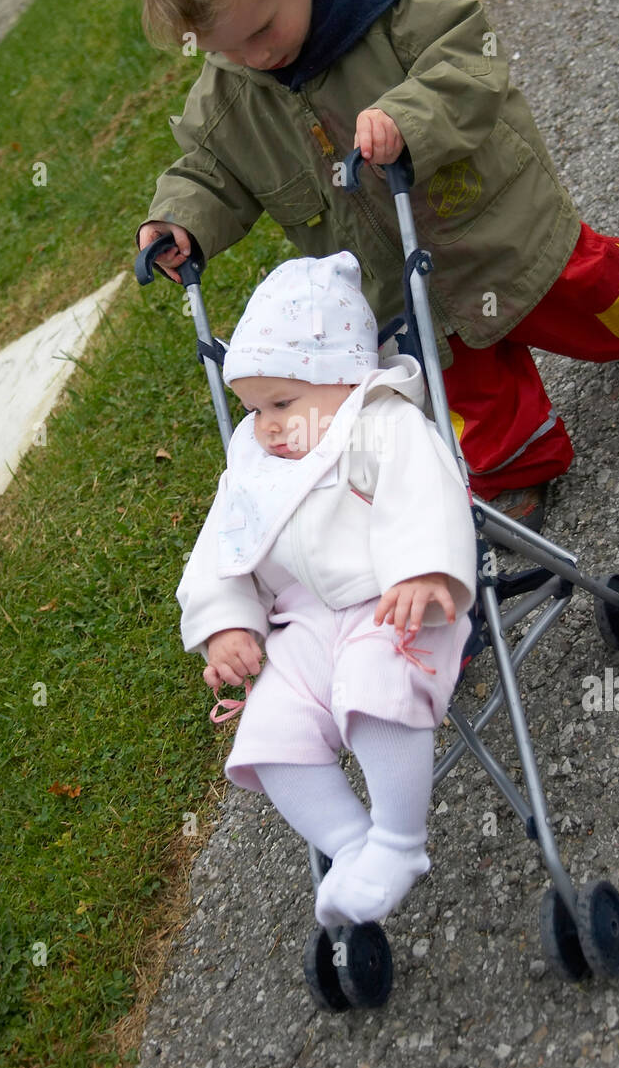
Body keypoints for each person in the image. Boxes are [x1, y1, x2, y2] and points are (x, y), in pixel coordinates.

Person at [125, 0, 619, 533]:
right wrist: (179, 219)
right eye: (225, 50)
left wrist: (407, 116)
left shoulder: (384, 10)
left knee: (583, 292)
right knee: (464, 384)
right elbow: (211, 170)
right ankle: (515, 471)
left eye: (262, 30)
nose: (254, 58)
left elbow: (471, 61)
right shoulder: (234, 95)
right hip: (399, 279)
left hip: (493, 229)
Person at [176, 252, 478, 927]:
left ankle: (400, 843)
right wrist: (227, 622)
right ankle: (353, 847)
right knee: (267, 732)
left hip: (391, 602)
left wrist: (421, 569)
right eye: (252, 409)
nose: (266, 425)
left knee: (376, 686)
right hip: (305, 624)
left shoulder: (378, 424)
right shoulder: (254, 463)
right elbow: (220, 550)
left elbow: (424, 494)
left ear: (344, 379)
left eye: (282, 403)